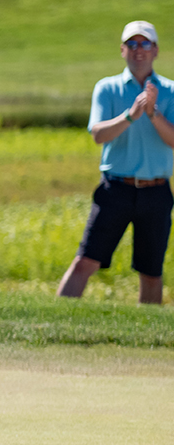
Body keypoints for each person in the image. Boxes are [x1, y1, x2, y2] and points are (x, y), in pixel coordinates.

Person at [57, 21, 174, 304]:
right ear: (122, 50)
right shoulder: (107, 88)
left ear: (156, 50)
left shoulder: (170, 90)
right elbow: (98, 134)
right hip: (115, 188)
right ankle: (57, 320)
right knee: (86, 261)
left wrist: (153, 113)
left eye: (145, 44)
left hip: (156, 190)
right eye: (132, 44)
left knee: (151, 271)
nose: (138, 50)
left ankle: (147, 338)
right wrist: (131, 115)